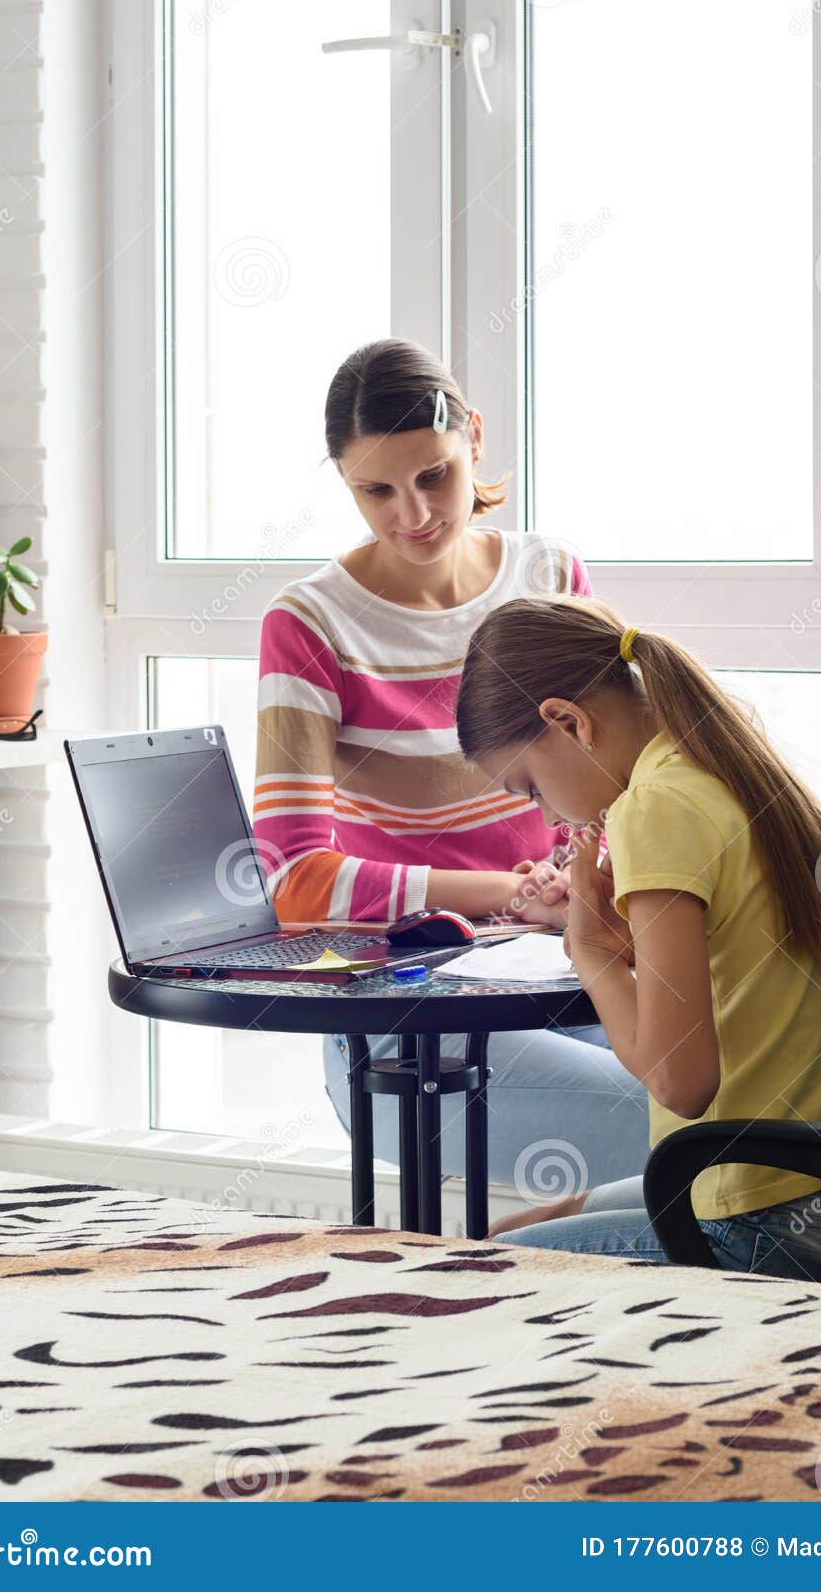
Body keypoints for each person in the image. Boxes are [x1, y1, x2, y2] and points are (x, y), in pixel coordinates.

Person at [252, 338, 650, 1190]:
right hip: (408, 1014)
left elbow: (621, 787)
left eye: (434, 475)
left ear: (472, 435)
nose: (414, 514)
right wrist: (513, 893)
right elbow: (293, 883)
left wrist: (580, 887)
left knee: (764, 1103)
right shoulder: (310, 624)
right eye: (376, 491)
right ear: (343, 481)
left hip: (574, 968)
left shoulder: (547, 575)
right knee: (692, 1130)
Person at [454, 593, 821, 1289]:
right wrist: (636, 935)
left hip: (764, 1225)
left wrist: (595, 955)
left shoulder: (652, 807)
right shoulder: (738, 762)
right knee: (516, 1229)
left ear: (568, 722)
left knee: (477, 1271)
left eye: (530, 787)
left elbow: (682, 1083)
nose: (545, 817)